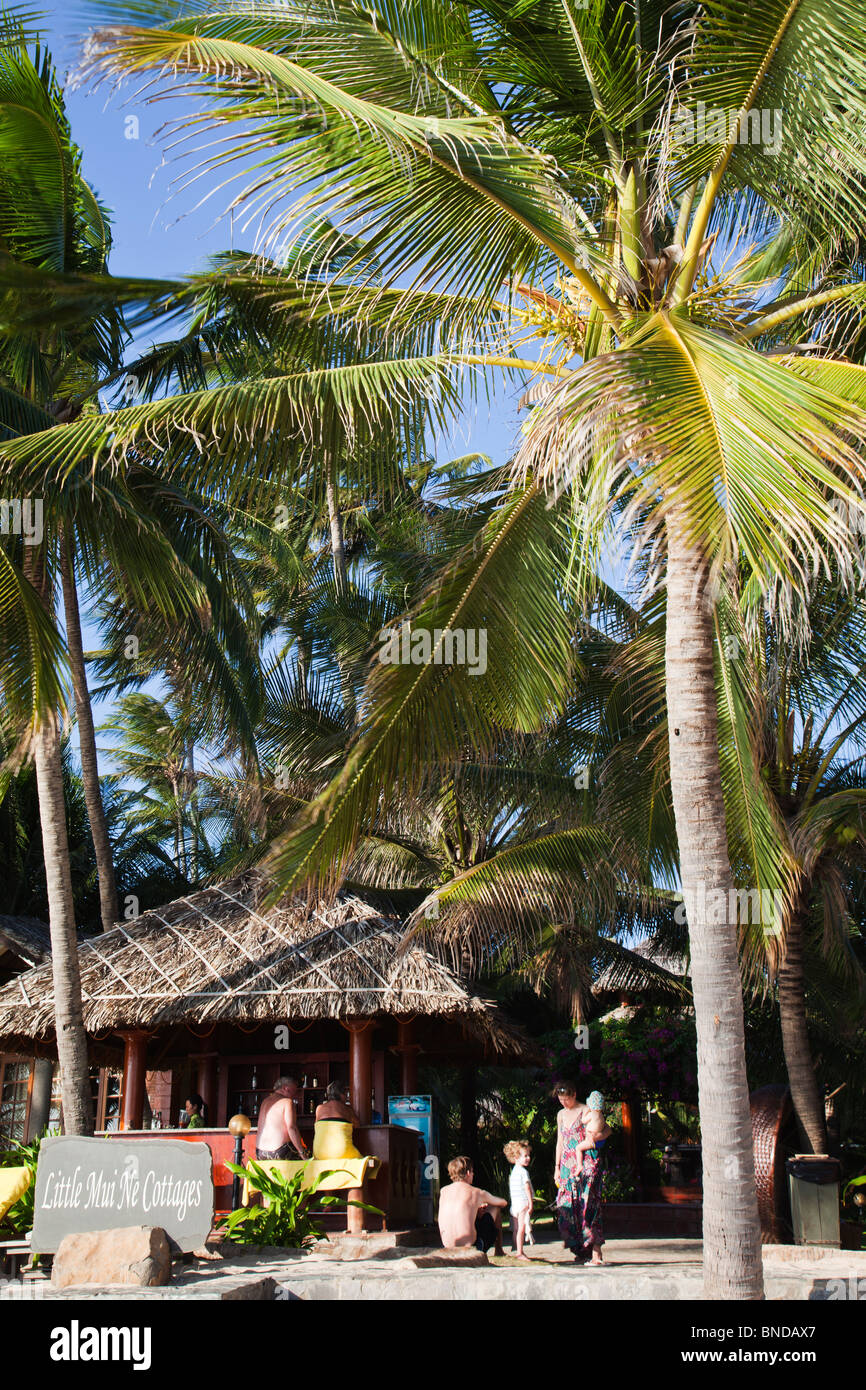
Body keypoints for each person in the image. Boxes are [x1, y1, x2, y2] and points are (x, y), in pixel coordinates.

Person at [554, 1081, 606, 1265]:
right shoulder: (560, 1114)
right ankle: (579, 1248)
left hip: (585, 1161)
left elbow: (605, 1129)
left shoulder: (586, 1110)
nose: (564, 1103)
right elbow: (560, 1140)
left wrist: (595, 1140)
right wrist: (557, 1167)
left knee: (587, 1204)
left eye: (566, 1099)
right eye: (561, 1100)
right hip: (567, 1165)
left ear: (574, 1094)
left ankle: (594, 1249)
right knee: (567, 1205)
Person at [437, 1155, 506, 1256]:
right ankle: (499, 1251)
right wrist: (483, 1204)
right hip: (472, 1248)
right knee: (495, 1208)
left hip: (448, 1247)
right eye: (473, 1172)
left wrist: (475, 1210)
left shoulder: (443, 1191)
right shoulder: (476, 1192)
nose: (473, 1174)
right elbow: (503, 1203)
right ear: (468, 1173)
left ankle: (499, 1251)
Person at [255, 1076, 309, 1160]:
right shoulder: (287, 1102)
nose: (294, 1095)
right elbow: (292, 1128)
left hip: (260, 1153)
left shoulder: (265, 1101)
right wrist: (302, 1153)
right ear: (285, 1088)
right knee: (309, 1156)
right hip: (278, 1152)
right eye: (294, 1091)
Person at [503, 1139, 534, 1260]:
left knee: (516, 1229)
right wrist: (530, 1203)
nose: (528, 1158)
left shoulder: (514, 1172)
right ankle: (520, 1252)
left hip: (514, 1204)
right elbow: (527, 1188)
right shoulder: (523, 1172)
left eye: (528, 1155)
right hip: (522, 1203)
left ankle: (515, 1247)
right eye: (525, 1156)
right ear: (516, 1157)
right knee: (521, 1228)